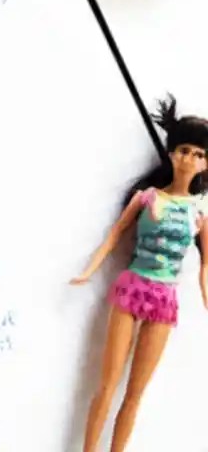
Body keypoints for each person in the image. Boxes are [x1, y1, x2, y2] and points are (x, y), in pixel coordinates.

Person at [70, 94, 208, 452]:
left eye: (199, 154)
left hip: (165, 299)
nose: (190, 159)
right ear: (172, 153)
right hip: (133, 288)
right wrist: (89, 270)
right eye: (184, 150)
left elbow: (206, 262)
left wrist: (206, 294)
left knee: (134, 393)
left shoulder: (199, 212)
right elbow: (115, 235)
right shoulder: (148, 197)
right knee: (107, 383)